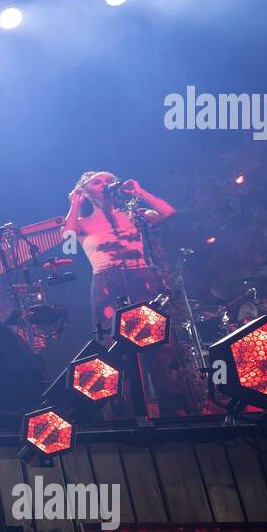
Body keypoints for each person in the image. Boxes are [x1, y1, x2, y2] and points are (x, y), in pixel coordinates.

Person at [64, 171, 191, 415]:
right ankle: (124, 415)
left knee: (158, 343)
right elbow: (68, 239)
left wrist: (140, 192)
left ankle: (173, 411)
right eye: (97, 182)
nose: (104, 184)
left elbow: (168, 213)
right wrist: (75, 202)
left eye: (107, 180)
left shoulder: (132, 214)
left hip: (141, 277)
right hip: (107, 280)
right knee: (113, 348)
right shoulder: (82, 221)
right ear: (86, 191)